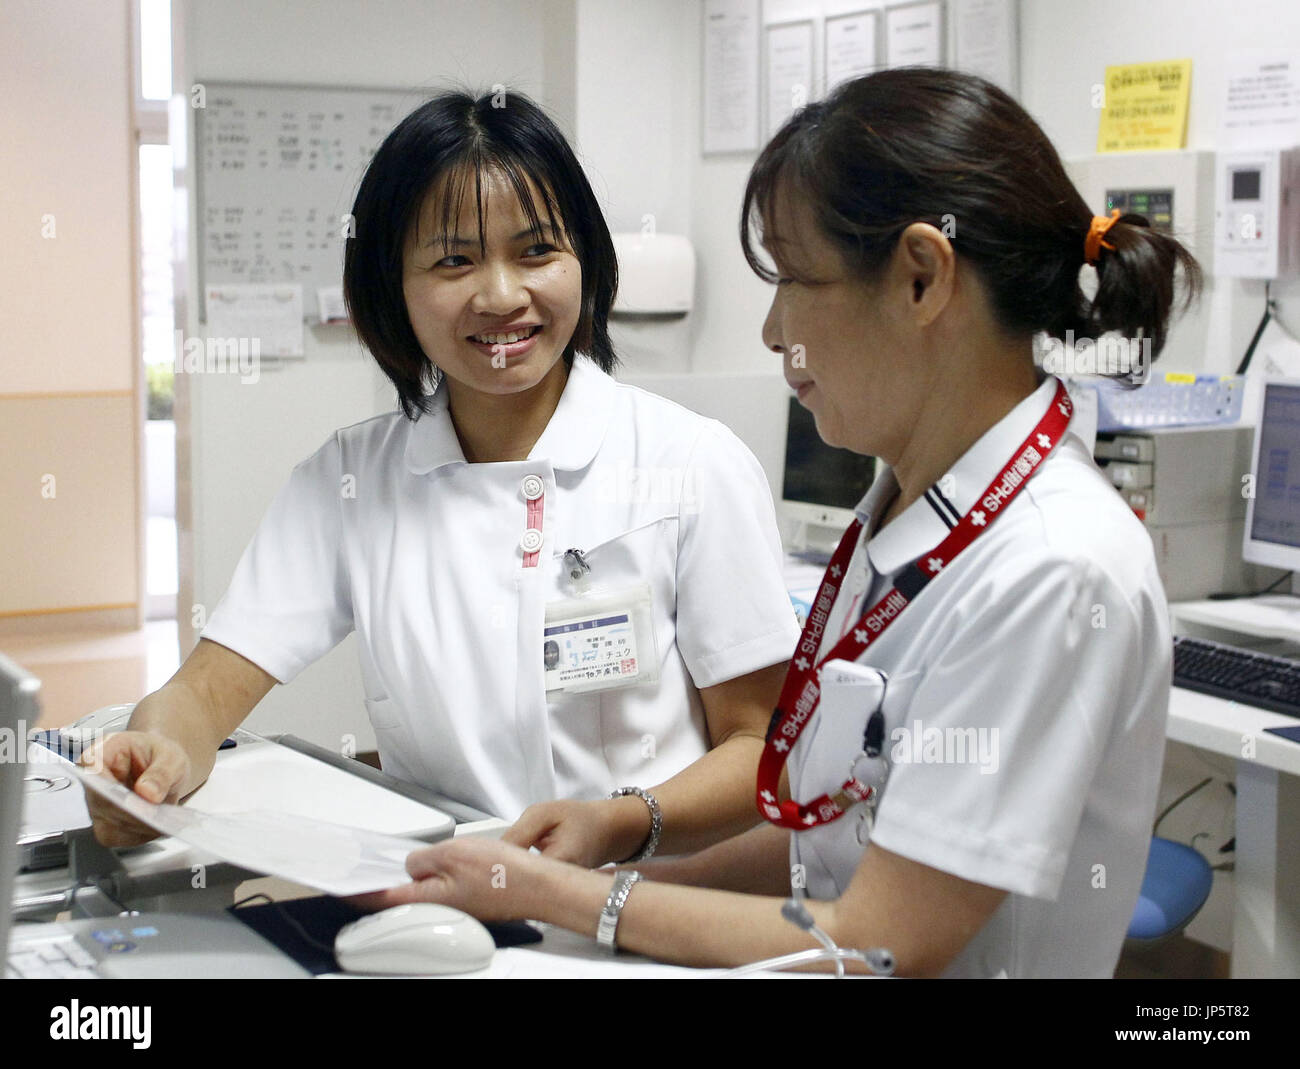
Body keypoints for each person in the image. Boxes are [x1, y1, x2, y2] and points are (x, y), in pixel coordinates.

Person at [354, 67, 1200, 978]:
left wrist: (553, 898)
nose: (769, 330)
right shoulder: (908, 513)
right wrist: (612, 840)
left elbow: (887, 937)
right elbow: (819, 834)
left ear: (921, 277)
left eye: (794, 278)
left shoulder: (1050, 565)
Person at [84, 88, 799, 869]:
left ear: (584, 259)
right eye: (454, 260)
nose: (501, 295)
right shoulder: (349, 481)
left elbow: (763, 743)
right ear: (394, 284)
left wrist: (629, 821)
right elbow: (203, 693)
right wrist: (153, 756)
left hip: (645, 911)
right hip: (444, 912)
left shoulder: (691, 463)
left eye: (536, 252)